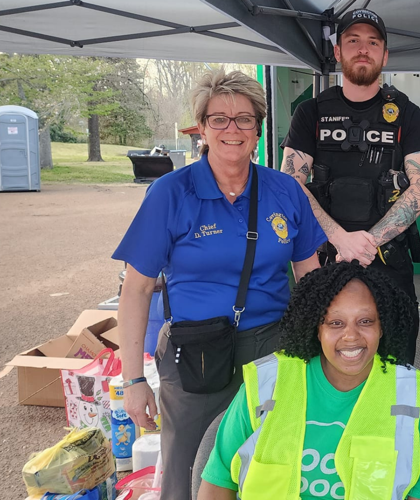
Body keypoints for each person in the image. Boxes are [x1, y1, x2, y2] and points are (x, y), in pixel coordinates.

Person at [114, 69, 327, 498]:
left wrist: (320, 357)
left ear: (258, 129)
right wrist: (133, 381)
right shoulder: (170, 193)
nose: (232, 129)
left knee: (270, 462)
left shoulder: (285, 191)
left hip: (273, 349)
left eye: (245, 119)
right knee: (189, 468)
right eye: (219, 119)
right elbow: (136, 290)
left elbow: (312, 283)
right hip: (196, 354)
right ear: (202, 129)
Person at [197, 262, 420, 500]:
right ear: (317, 329)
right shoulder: (266, 382)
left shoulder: (411, 394)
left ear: (382, 327)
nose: (351, 336)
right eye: (336, 323)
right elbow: (218, 482)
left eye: (365, 321)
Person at [280, 8, 420, 363]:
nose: (363, 49)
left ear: (384, 54)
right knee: (325, 369)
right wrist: (339, 237)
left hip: (388, 263)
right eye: (353, 41)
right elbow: (290, 184)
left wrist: (367, 243)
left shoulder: (406, 113)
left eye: (372, 42)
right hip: (322, 265)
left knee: (395, 371)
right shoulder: (311, 112)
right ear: (337, 52)